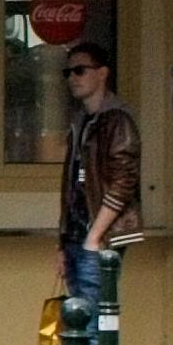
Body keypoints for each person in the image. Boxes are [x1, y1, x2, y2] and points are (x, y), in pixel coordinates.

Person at [58, 42, 144, 312]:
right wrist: (62, 243)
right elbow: (72, 185)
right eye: (68, 72)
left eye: (80, 70)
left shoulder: (117, 119)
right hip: (76, 236)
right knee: (78, 327)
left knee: (94, 327)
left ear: (102, 73)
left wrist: (95, 237)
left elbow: (123, 183)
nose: (73, 78)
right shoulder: (81, 120)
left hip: (98, 239)